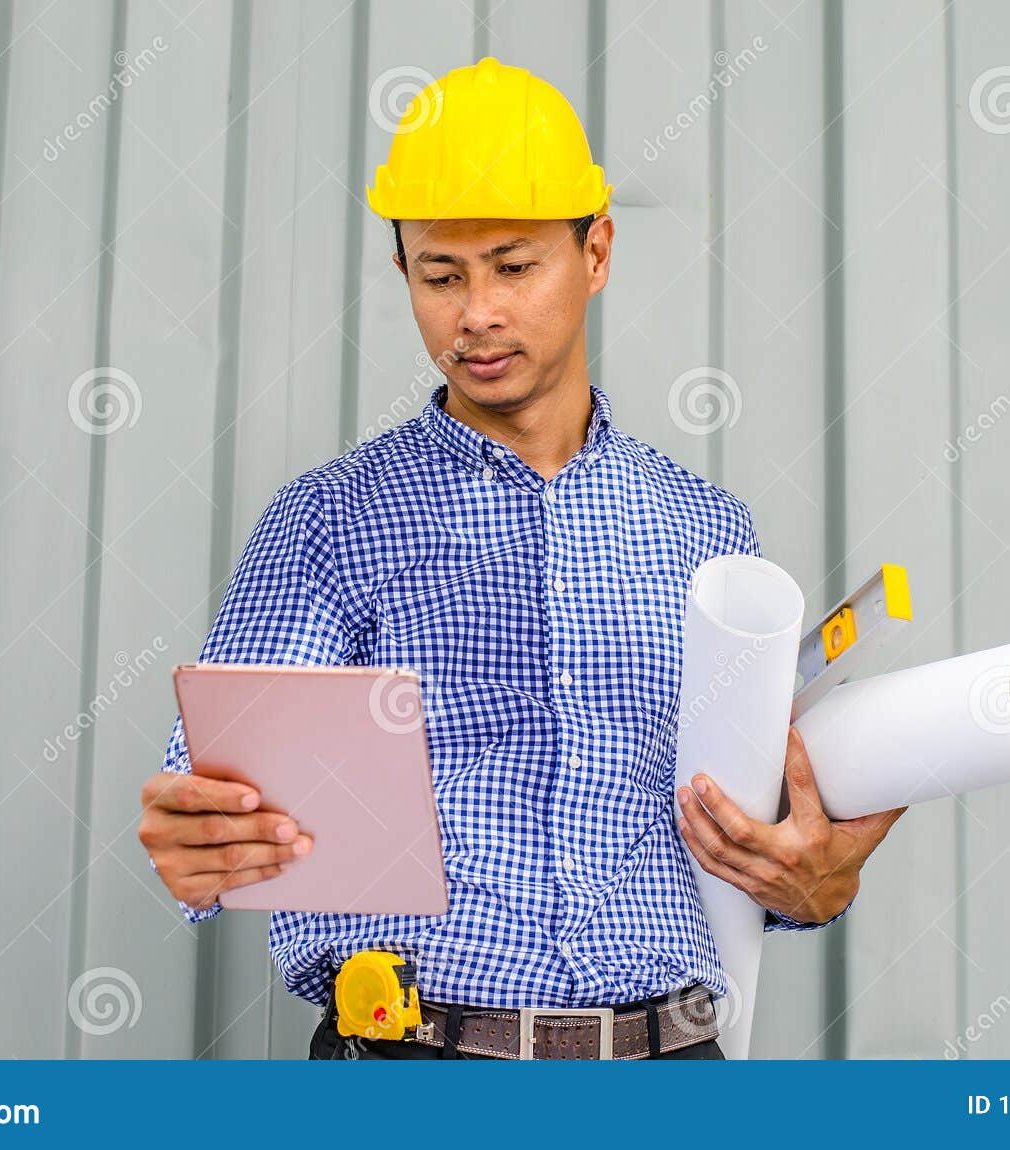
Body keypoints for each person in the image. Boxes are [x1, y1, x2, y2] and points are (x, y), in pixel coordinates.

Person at [138, 56, 904, 1060]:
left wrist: (810, 883)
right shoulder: (330, 519)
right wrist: (198, 837)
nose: (476, 314)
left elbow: (745, 834)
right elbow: (215, 777)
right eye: (439, 275)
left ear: (596, 253)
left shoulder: (709, 533)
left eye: (512, 265)